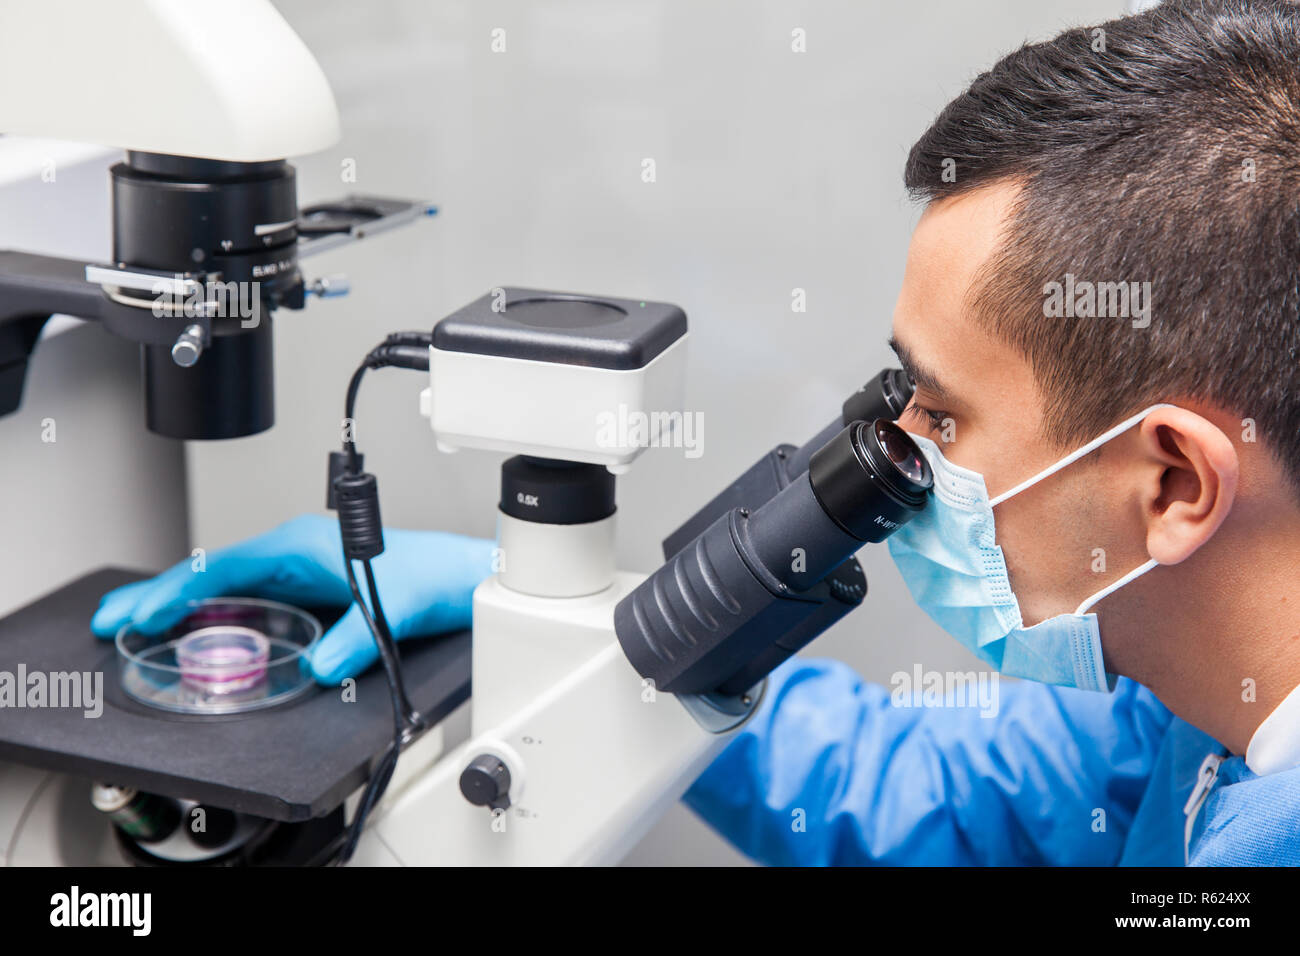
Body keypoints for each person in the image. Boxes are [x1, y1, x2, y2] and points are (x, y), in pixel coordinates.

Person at [93, 0, 1300, 865]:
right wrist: (534, 614)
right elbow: (929, 793)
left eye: (941, 413)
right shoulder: (1193, 702)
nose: (904, 462)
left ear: (1172, 483)